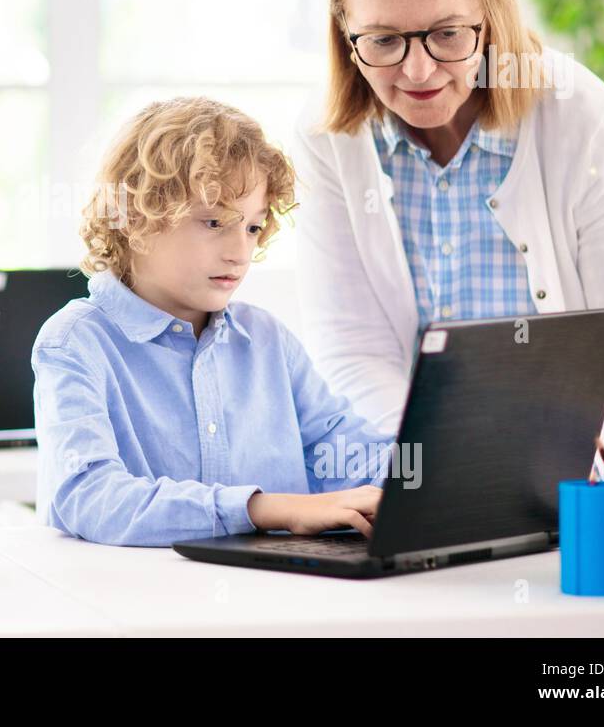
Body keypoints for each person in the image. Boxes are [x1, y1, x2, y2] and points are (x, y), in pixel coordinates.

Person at [289, 0, 604, 445]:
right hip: (413, 478)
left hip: (572, 482)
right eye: (383, 41)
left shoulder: (584, 122)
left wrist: (545, 463)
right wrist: (426, 474)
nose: (418, 71)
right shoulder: (328, 137)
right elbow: (352, 354)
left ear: (491, 17)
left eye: (448, 34)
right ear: (345, 35)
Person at [32, 97, 392, 547]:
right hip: (131, 604)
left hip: (274, 599)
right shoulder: (76, 342)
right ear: (133, 216)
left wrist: (448, 469)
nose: (239, 252)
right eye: (215, 222)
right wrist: (263, 509)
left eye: (253, 228)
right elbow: (91, 497)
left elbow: (350, 452)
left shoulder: (267, 340)